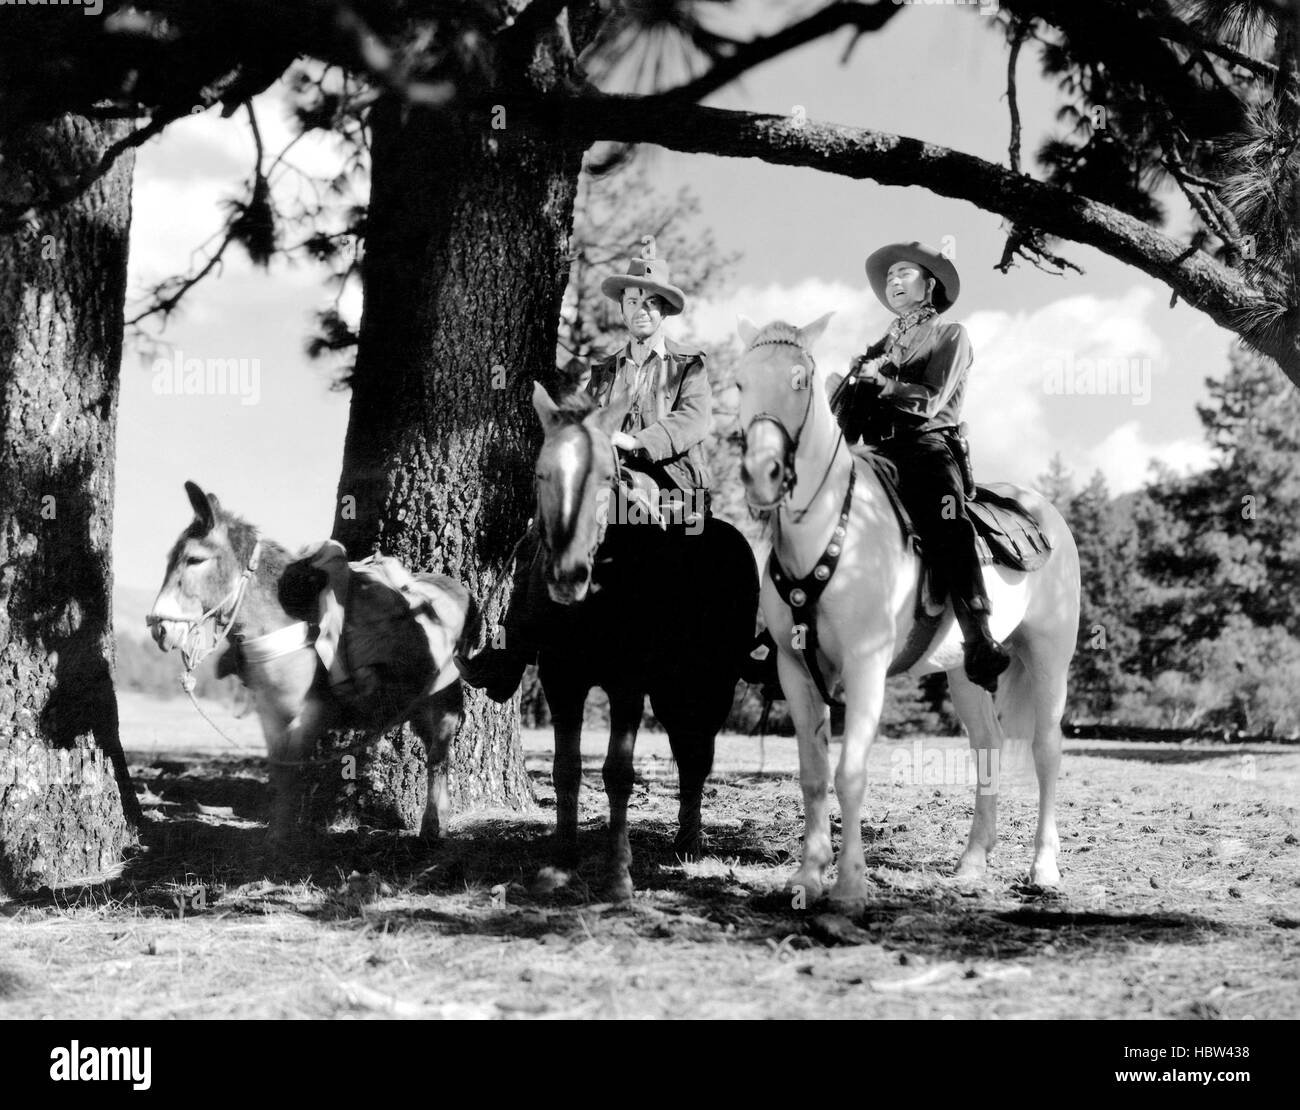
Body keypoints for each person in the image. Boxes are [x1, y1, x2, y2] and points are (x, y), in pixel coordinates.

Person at [457, 248, 713, 702]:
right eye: (633, 300)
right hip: (603, 477)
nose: (641, 309)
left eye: (652, 302)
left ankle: (684, 652)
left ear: (665, 311)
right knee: (541, 536)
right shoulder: (603, 372)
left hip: (670, 483)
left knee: (668, 543)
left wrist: (637, 442)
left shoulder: (689, 366)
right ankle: (506, 658)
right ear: (623, 308)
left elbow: (694, 420)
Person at [832, 240, 1010, 693]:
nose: (893, 281)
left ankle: (979, 633)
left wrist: (885, 384)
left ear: (929, 285)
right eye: (889, 277)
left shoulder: (952, 335)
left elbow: (930, 401)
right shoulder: (874, 348)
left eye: (904, 274)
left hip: (928, 448)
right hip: (873, 454)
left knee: (947, 521)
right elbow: (847, 423)